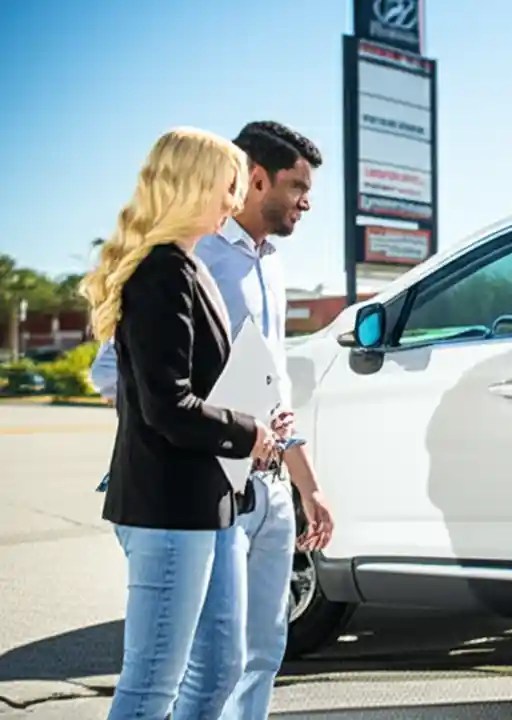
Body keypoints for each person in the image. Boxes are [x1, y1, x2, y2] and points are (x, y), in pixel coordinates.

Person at [92, 120, 334, 720]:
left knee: (247, 658)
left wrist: (306, 482)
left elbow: (267, 384)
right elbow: (132, 384)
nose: (307, 202)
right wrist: (232, 427)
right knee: (167, 679)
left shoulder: (257, 267)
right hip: (189, 489)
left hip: (249, 488)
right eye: (297, 187)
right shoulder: (170, 269)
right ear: (252, 180)